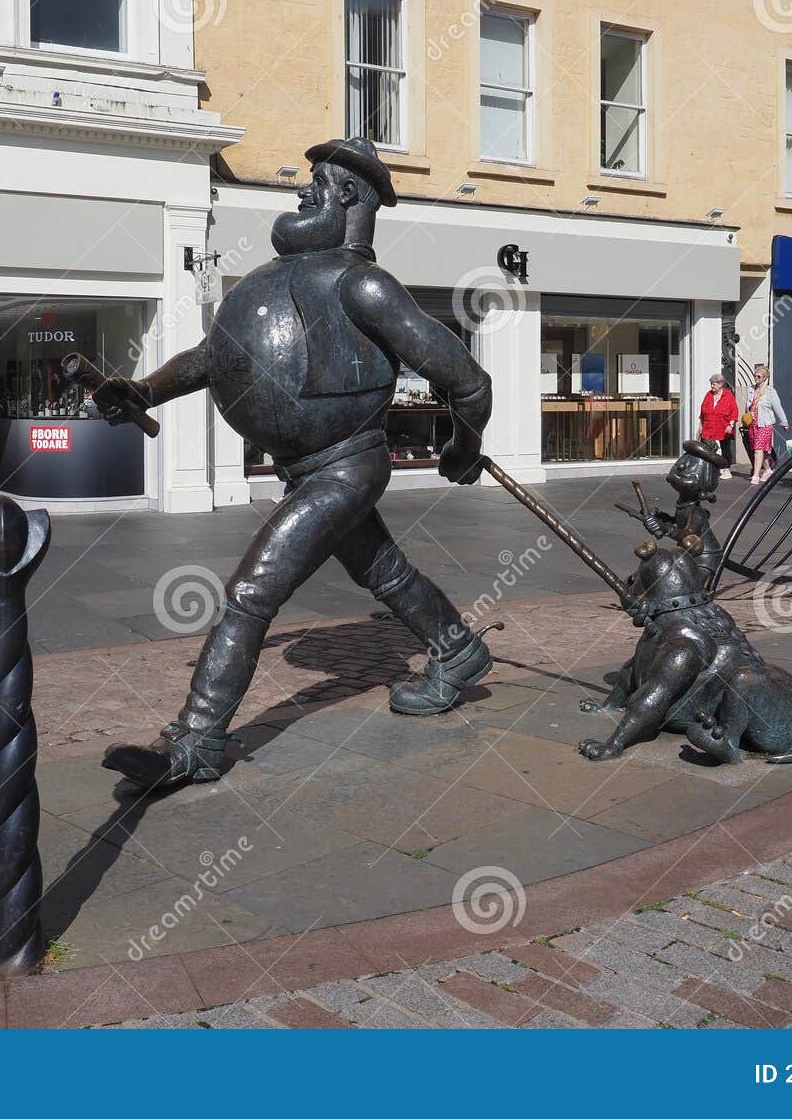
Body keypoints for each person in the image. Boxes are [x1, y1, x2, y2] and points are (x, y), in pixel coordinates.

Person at [92, 136, 494, 788]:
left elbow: (467, 379)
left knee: (251, 592)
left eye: (318, 181)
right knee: (384, 572)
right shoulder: (285, 279)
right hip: (311, 470)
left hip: (345, 466)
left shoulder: (363, 284)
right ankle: (456, 648)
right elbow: (209, 355)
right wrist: (143, 391)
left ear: (349, 196)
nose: (304, 191)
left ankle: (198, 741)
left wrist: (462, 443)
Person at [743, 365, 788, 484]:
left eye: (759, 376)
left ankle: (756, 475)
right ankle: (768, 470)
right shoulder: (750, 389)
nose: (756, 378)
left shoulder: (770, 392)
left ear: (765, 378)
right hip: (753, 424)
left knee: (758, 449)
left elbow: (777, 407)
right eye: (755, 376)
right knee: (760, 450)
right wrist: (747, 418)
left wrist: (784, 422)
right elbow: (747, 406)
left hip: (765, 424)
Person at [699, 374, 738, 478]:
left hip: (723, 426)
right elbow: (702, 412)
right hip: (709, 425)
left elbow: (734, 410)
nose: (712, 386)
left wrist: (731, 424)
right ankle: (710, 468)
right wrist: (701, 426)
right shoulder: (709, 395)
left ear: (721, 384)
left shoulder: (728, 395)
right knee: (707, 448)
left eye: (714, 384)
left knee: (725, 448)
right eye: (711, 384)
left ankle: (726, 469)